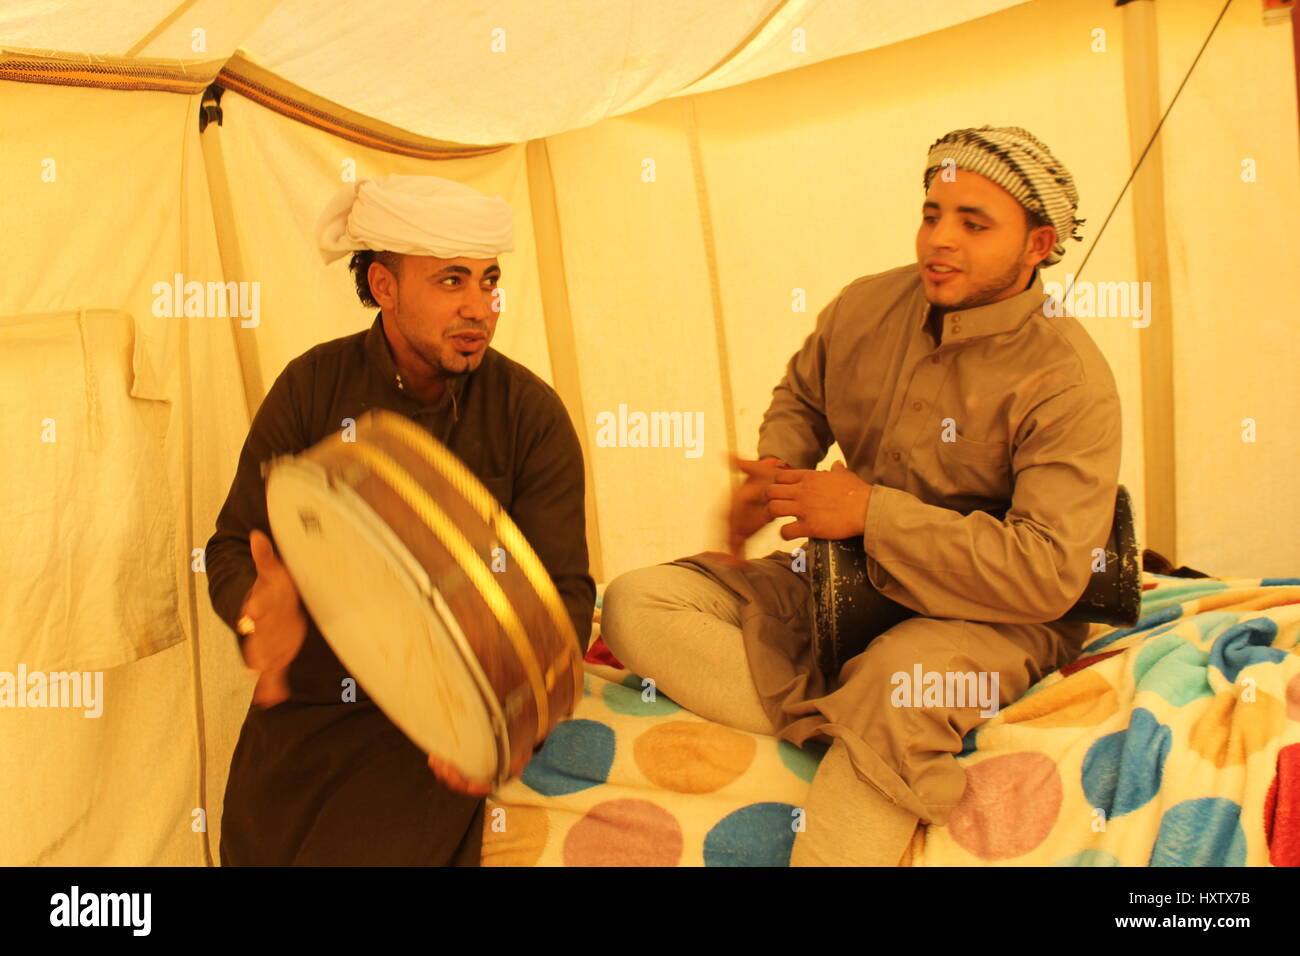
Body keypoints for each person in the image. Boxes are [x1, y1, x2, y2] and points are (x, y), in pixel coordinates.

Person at [601, 126, 1121, 866]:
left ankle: (870, 723)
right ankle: (848, 724)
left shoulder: (1070, 379)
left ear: (1038, 245)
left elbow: (1048, 572)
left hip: (994, 615)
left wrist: (873, 512)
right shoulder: (867, 306)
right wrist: (780, 468)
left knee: (898, 686)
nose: (939, 240)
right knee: (636, 603)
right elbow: (803, 395)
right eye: (932, 213)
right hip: (845, 579)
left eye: (974, 224)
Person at [205, 174, 594, 866]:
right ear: (384, 286)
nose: (480, 307)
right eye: (451, 282)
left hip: (437, 721)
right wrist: (257, 615)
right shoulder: (312, 386)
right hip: (307, 707)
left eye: (489, 281)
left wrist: (506, 734)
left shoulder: (529, 417)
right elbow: (236, 547)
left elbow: (563, 602)